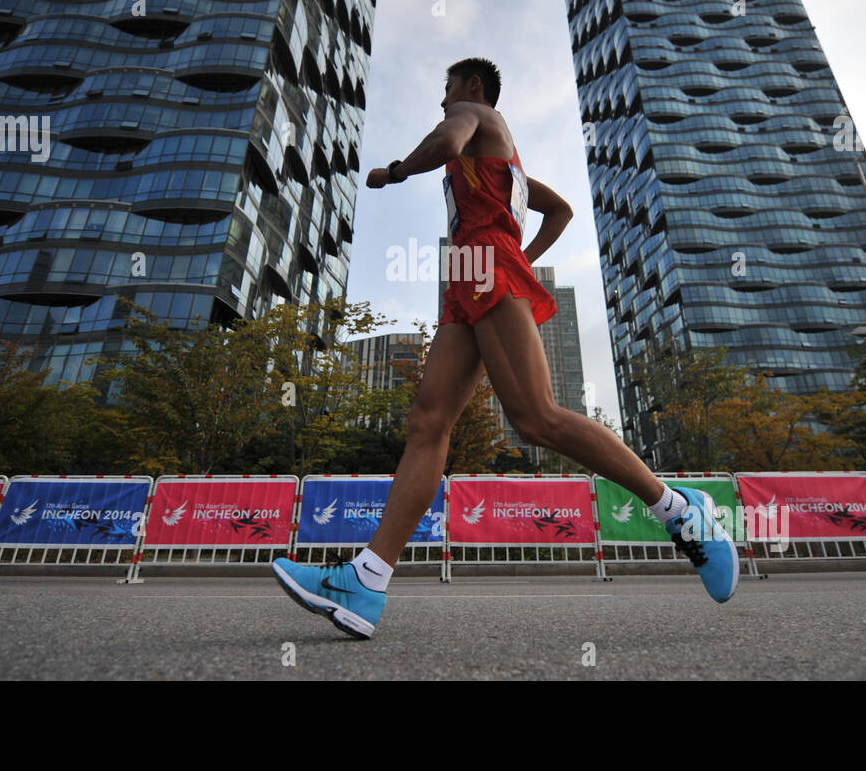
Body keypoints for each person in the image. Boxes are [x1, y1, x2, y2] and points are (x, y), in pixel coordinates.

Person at [272, 58, 737, 639]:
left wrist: (394, 172)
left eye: (447, 89)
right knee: (428, 422)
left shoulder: (475, 113)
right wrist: (524, 255)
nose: (444, 102)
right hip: (469, 271)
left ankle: (680, 511)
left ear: (471, 87)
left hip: (486, 262)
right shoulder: (505, 166)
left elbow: (445, 140)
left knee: (535, 418)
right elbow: (560, 209)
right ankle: (365, 581)